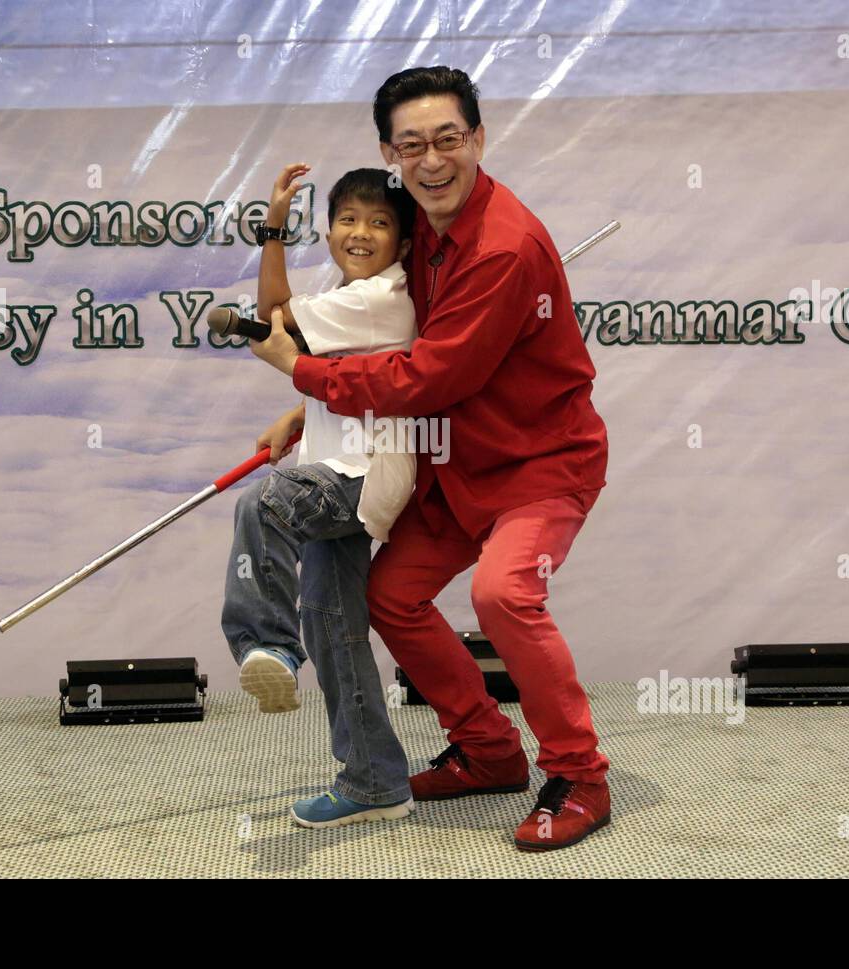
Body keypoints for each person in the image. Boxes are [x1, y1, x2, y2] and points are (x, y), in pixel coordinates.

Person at [251, 66, 612, 851]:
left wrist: (305, 373)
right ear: (390, 151)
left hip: (539, 464)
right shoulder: (416, 224)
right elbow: (393, 340)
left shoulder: (504, 246)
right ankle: (487, 751)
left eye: (449, 139)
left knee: (504, 594)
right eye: (412, 144)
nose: (433, 158)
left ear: (478, 138)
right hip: (455, 462)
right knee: (392, 594)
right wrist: (310, 409)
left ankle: (580, 773)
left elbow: (430, 374)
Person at [221, 164, 419, 828]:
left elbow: (276, 321)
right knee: (336, 633)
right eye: (348, 219)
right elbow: (343, 375)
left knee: (264, 503)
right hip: (341, 465)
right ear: (330, 227)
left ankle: (267, 643)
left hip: (358, 479)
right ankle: (375, 781)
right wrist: (301, 415)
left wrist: (272, 228)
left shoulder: (380, 298)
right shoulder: (351, 293)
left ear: (402, 241)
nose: (360, 232)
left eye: (380, 222)